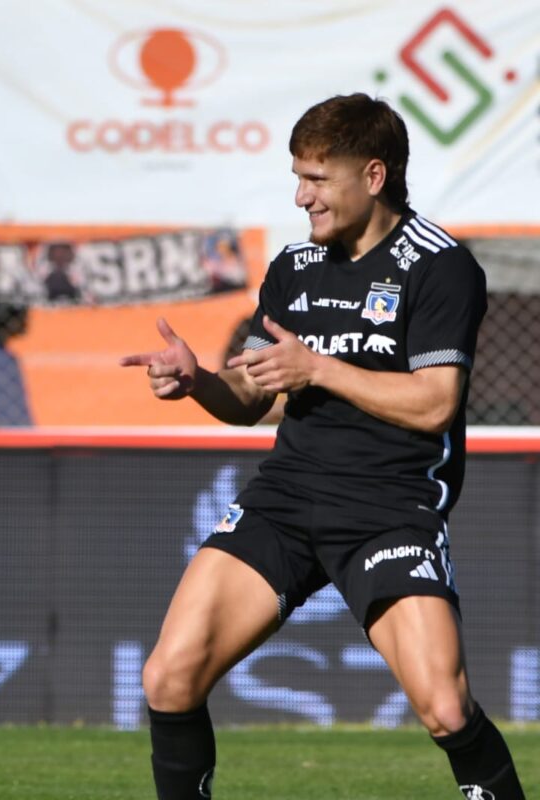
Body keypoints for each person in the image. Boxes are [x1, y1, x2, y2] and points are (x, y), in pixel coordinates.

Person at [122, 93, 525, 799]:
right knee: (168, 677)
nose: (301, 196)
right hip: (286, 500)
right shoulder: (296, 266)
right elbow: (252, 398)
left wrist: (317, 368)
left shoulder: (440, 266)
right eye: (297, 178)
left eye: (316, 178)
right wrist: (198, 382)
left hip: (388, 511)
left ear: (373, 176)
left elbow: (435, 403)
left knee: (445, 707)